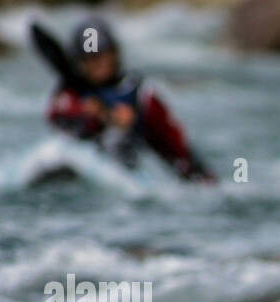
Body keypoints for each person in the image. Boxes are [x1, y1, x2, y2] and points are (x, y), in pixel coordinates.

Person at [45, 17, 215, 183]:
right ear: (80, 62)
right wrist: (94, 115)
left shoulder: (142, 96)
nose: (102, 62)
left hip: (121, 181)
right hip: (76, 173)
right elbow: (57, 118)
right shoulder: (70, 92)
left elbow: (175, 148)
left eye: (106, 53)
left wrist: (202, 180)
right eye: (93, 57)